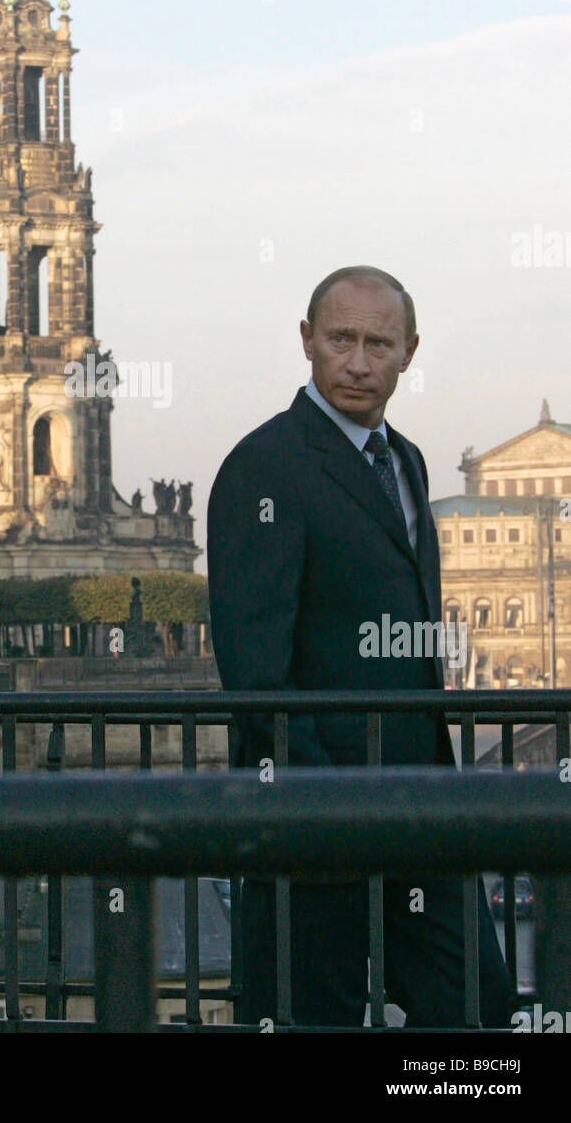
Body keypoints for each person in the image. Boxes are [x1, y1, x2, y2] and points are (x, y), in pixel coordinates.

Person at [207, 265, 512, 1029]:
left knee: (479, 1010)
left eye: (379, 343)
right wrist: (326, 795)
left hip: (419, 803)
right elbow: (255, 671)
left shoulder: (406, 460)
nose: (358, 362)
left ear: (410, 352)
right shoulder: (264, 464)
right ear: (306, 340)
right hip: (316, 812)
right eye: (341, 339)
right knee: (315, 1017)